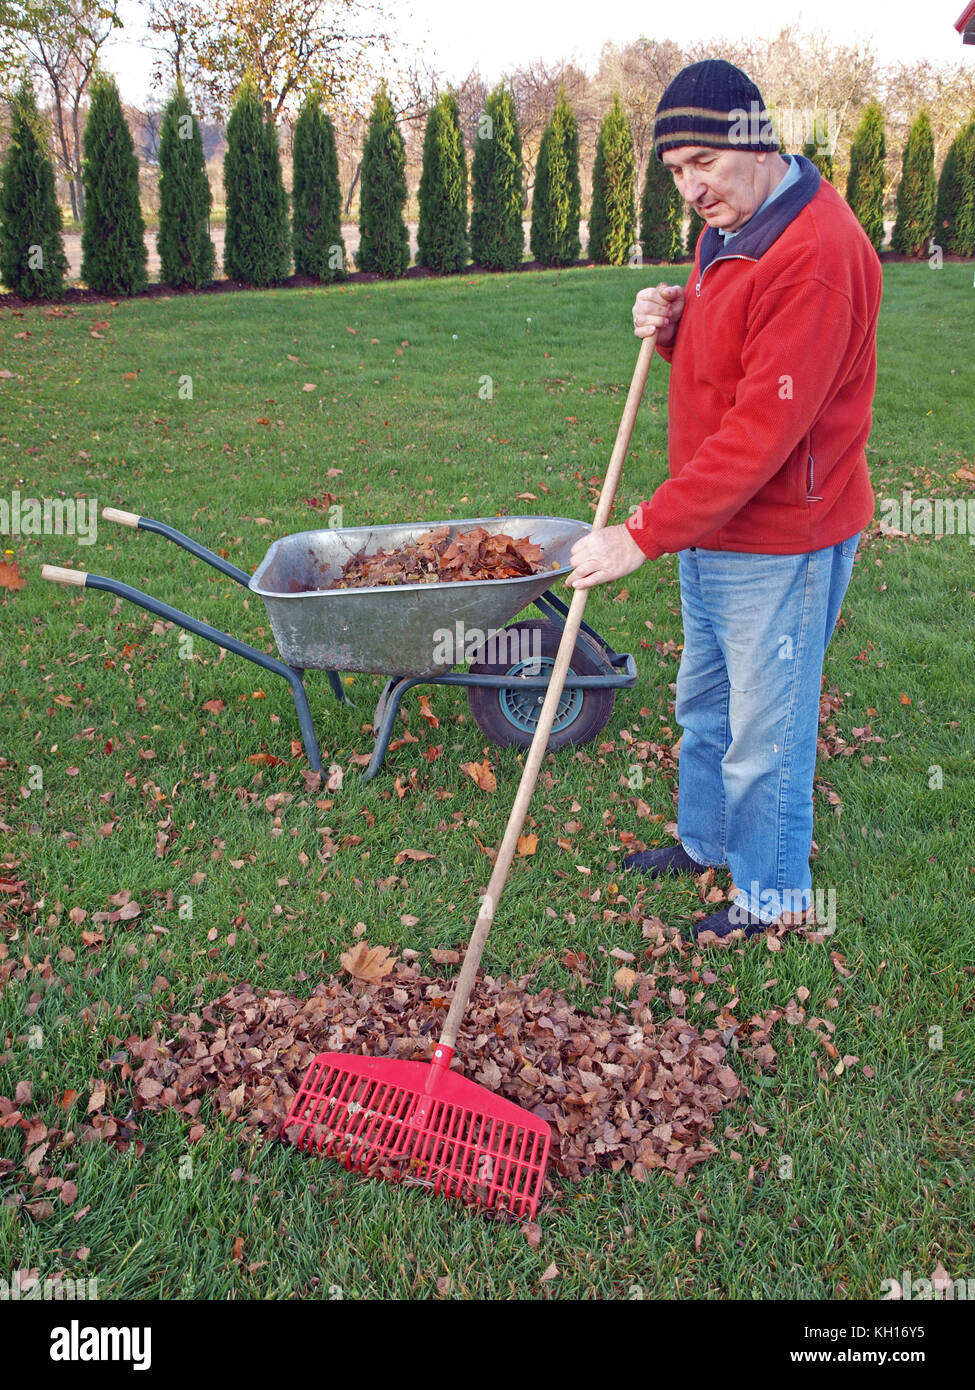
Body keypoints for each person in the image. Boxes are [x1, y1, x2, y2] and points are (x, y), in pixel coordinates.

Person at [566, 59, 883, 940]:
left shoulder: (814, 255)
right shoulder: (732, 223)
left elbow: (761, 434)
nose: (690, 188)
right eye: (674, 171)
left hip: (780, 536)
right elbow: (733, 368)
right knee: (703, 706)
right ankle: (705, 842)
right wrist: (674, 331)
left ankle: (772, 894)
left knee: (762, 732)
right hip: (714, 524)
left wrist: (643, 532)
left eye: (702, 161)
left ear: (754, 142)